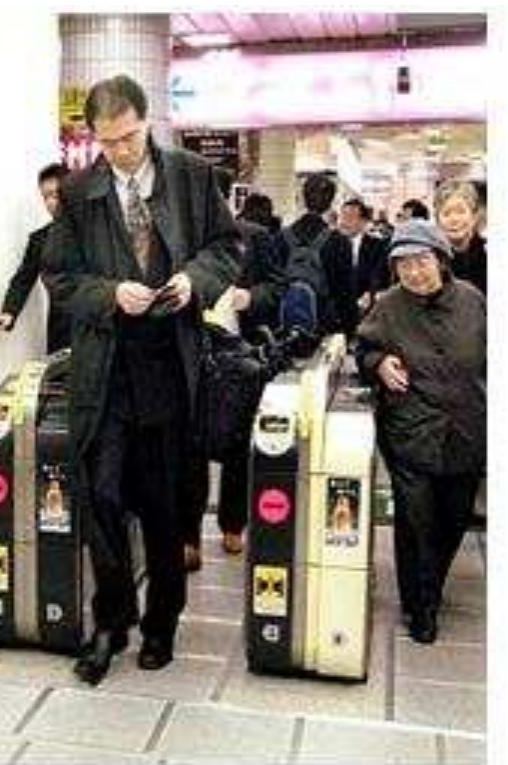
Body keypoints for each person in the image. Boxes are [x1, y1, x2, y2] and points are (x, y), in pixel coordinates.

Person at [42, 74, 240, 684]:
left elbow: (228, 248)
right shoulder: (79, 192)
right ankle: (110, 623)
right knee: (101, 499)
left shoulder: (192, 177)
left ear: (146, 122)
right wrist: (108, 294)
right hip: (104, 371)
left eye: (127, 138)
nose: (119, 153)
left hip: (168, 370)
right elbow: (60, 277)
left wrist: (195, 282)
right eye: (107, 143)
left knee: (162, 507)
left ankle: (161, 625)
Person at [356, 219, 485, 644]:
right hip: (411, 428)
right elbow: (364, 347)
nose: (414, 272)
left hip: (466, 428)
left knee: (454, 518)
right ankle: (420, 605)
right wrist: (379, 363)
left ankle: (432, 584)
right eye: (403, 264)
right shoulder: (389, 306)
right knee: (415, 520)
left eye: (421, 261)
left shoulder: (472, 300)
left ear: (441, 260)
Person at [180, 167, 287, 570]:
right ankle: (188, 533)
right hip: (192, 353)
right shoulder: (180, 239)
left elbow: (279, 286)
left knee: (238, 444)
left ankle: (232, 523)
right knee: (189, 445)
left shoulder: (255, 238)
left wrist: (251, 296)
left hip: (241, 357)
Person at [0, 163, 72, 353]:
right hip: (60, 332)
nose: (51, 202)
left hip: (99, 329)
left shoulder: (96, 230)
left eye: (56, 194)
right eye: (46, 196)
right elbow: (24, 278)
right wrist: (9, 312)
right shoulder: (39, 239)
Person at [279, 173, 358, 339]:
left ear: (302, 198)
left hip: (284, 326)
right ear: (331, 203)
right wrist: (349, 331)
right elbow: (346, 293)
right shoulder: (339, 242)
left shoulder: (280, 238)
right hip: (325, 327)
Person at [337, 197, 391, 316]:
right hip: (336, 310)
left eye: (350, 217)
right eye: (342, 216)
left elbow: (379, 277)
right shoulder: (331, 244)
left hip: (367, 310)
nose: (343, 222)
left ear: (363, 222)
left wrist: (371, 294)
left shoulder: (378, 246)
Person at [434, 180, 486, 296]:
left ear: (474, 216)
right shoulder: (432, 259)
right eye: (446, 213)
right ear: (438, 220)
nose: (454, 219)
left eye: (461, 212)